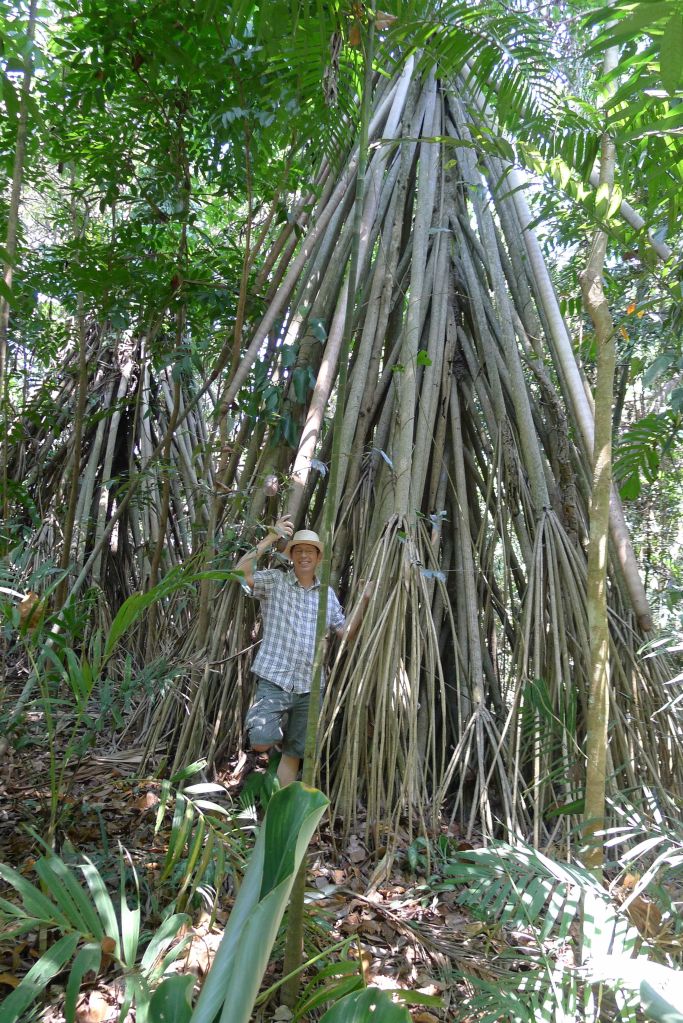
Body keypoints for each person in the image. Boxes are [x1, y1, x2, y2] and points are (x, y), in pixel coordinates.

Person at [234, 514, 370, 787]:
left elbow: (344, 633)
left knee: (295, 754)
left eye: (311, 552)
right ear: (292, 555)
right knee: (261, 740)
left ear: (319, 559)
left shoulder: (327, 595)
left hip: (310, 685)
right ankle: (273, 736)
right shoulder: (275, 581)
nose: (305, 556)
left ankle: (280, 811)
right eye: (300, 551)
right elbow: (241, 573)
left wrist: (365, 600)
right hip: (275, 679)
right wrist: (271, 537)